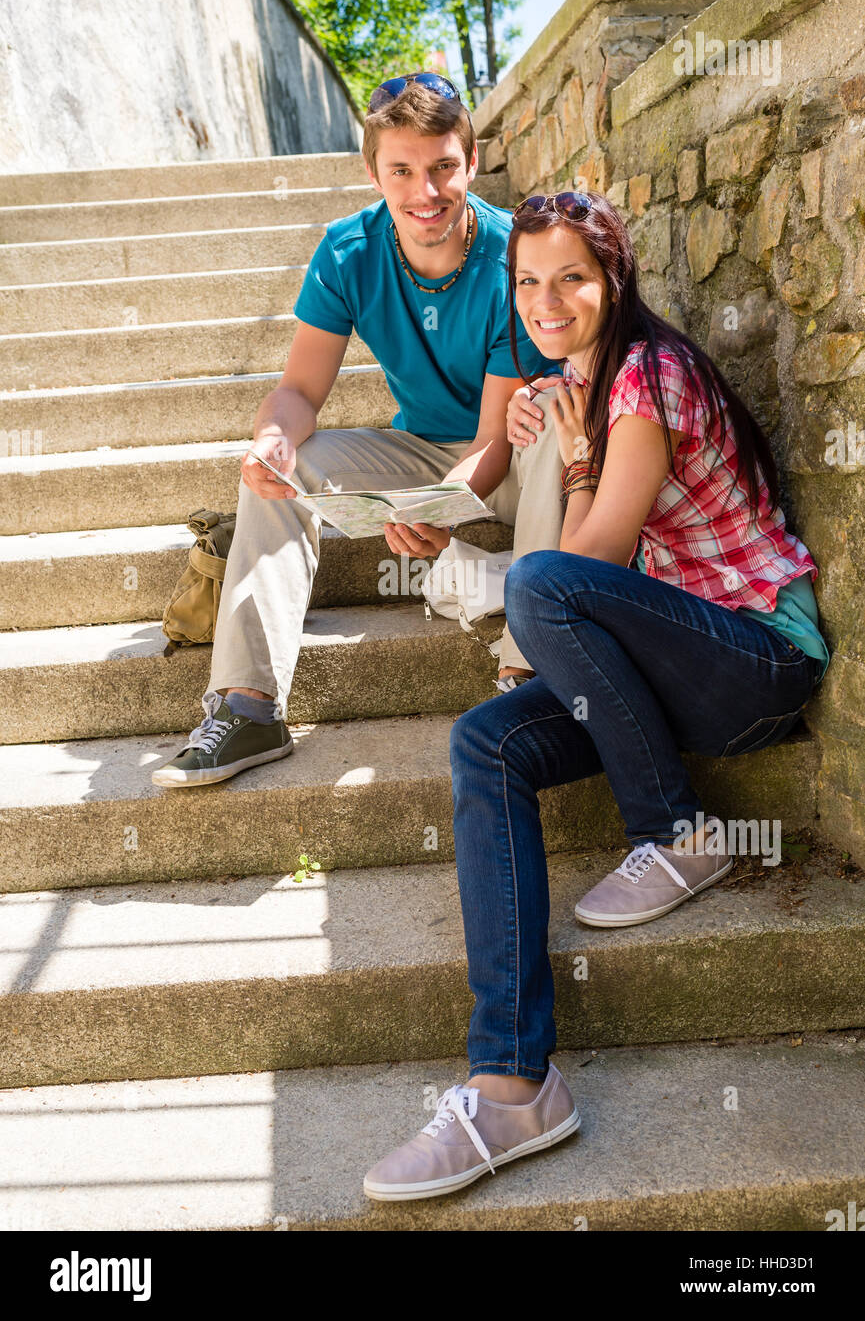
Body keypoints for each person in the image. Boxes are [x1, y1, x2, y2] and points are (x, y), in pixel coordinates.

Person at [363, 189, 829, 1201]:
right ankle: (513, 1082)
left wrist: (570, 464)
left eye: (570, 275)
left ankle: (678, 828)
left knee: (533, 582)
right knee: (485, 743)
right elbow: (577, 576)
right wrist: (545, 456)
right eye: (527, 281)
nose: (546, 298)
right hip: (663, 670)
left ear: (613, 276)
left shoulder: (644, 377)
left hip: (754, 660)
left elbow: (584, 565)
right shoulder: (579, 382)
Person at [151, 74, 560, 788]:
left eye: (442, 168)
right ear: (372, 172)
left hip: (513, 453)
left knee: (556, 421)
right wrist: (271, 440)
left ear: (471, 162)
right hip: (418, 448)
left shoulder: (510, 256)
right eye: (401, 170)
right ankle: (248, 706)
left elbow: (494, 438)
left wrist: (437, 510)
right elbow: (300, 391)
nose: (424, 192)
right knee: (288, 462)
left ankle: (525, 677)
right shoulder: (346, 251)